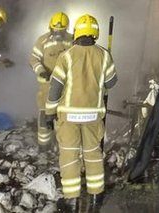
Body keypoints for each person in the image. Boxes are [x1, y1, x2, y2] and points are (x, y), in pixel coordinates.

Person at [45, 13, 117, 212]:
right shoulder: (104, 55)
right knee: (93, 155)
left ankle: (72, 200)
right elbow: (112, 82)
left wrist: (50, 112)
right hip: (93, 115)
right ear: (95, 33)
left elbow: (55, 88)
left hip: (69, 116)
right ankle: (95, 198)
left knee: (69, 156)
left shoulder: (66, 56)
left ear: (77, 32)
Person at [29, 11, 72, 149]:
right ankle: (43, 144)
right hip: (46, 87)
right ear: (50, 27)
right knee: (44, 115)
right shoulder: (42, 41)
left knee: (63, 115)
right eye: (55, 30)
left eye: (61, 31)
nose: (58, 34)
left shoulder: (72, 40)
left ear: (66, 29)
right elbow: (33, 59)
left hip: (66, 87)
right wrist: (41, 71)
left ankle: (62, 146)